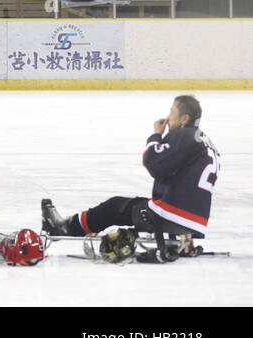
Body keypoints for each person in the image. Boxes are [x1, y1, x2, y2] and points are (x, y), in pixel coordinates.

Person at [42, 95, 219, 243]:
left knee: (115, 207)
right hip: (196, 221)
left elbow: (153, 163)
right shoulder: (207, 143)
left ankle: (64, 228)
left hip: (172, 214)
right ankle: (184, 241)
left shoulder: (183, 135)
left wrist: (156, 135)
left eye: (172, 112)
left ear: (184, 119)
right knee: (132, 206)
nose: (168, 116)